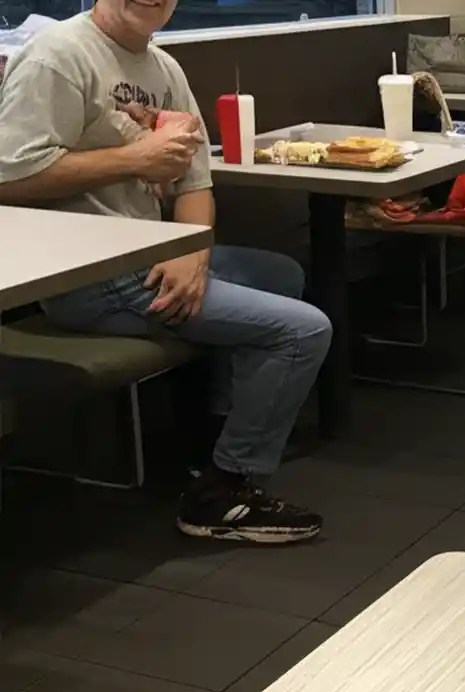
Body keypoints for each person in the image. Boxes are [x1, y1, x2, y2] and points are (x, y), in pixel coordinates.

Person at [0, 1, 330, 544]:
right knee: (304, 330)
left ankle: (219, 440)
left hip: (147, 259)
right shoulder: (59, 56)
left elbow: (195, 182)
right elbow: (10, 179)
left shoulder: (163, 67)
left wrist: (191, 252)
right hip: (86, 275)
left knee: (282, 274)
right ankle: (221, 494)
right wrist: (134, 160)